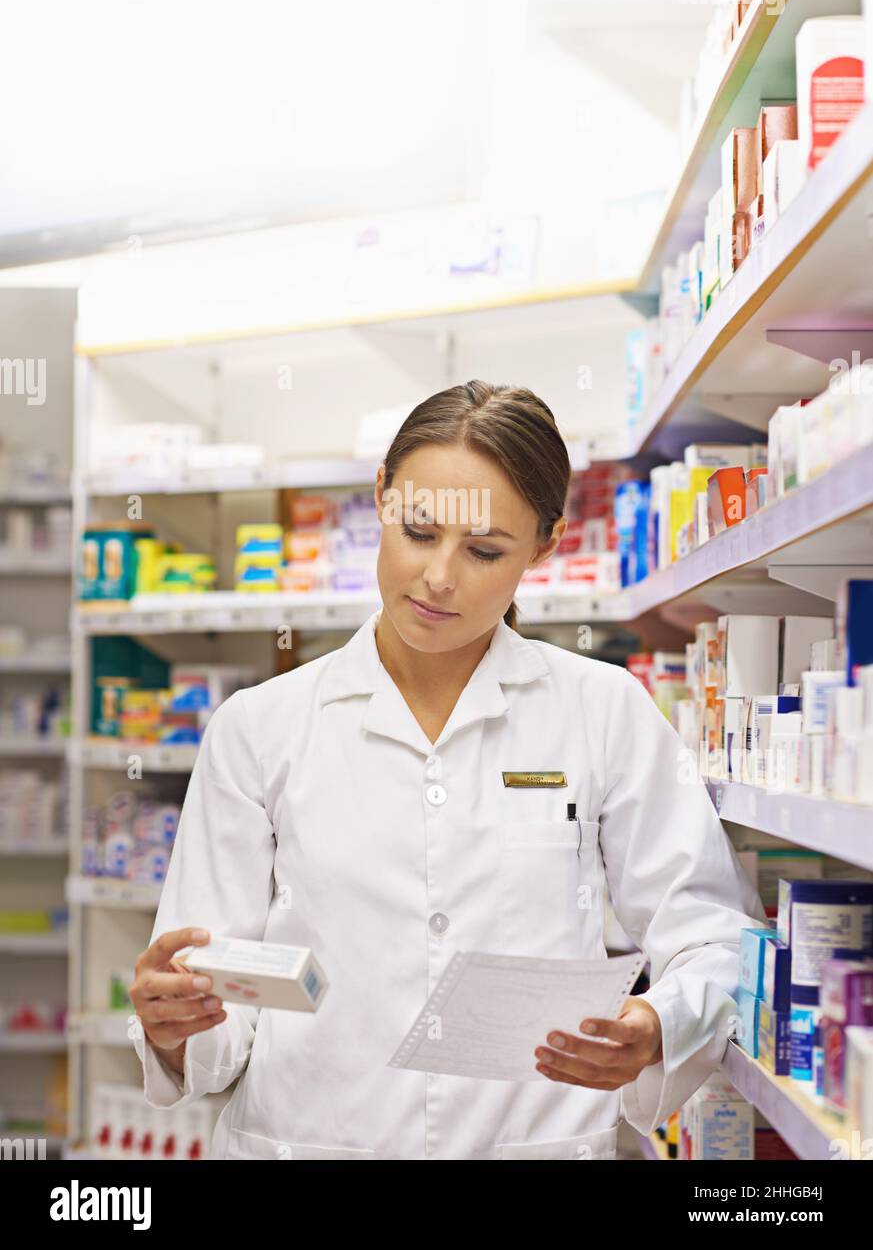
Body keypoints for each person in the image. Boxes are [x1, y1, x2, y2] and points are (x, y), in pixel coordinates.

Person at [130, 379, 767, 1160]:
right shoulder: (258, 727)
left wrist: (656, 1023)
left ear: (545, 544)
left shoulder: (602, 712)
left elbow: (714, 937)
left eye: (484, 551)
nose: (438, 576)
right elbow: (214, 986)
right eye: (418, 531)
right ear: (381, 499)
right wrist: (175, 1026)